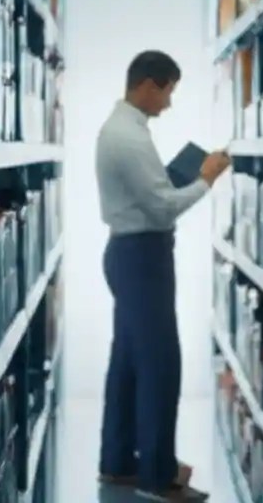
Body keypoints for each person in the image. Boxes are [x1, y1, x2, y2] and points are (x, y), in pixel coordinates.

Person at [94, 50, 231, 502]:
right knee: (160, 365)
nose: (169, 102)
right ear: (149, 85)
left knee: (130, 362)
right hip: (142, 258)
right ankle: (156, 477)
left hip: (133, 255)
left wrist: (180, 177)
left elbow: (153, 193)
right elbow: (162, 207)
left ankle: (118, 463)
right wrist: (206, 178)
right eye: (168, 90)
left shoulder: (127, 130)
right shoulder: (127, 138)